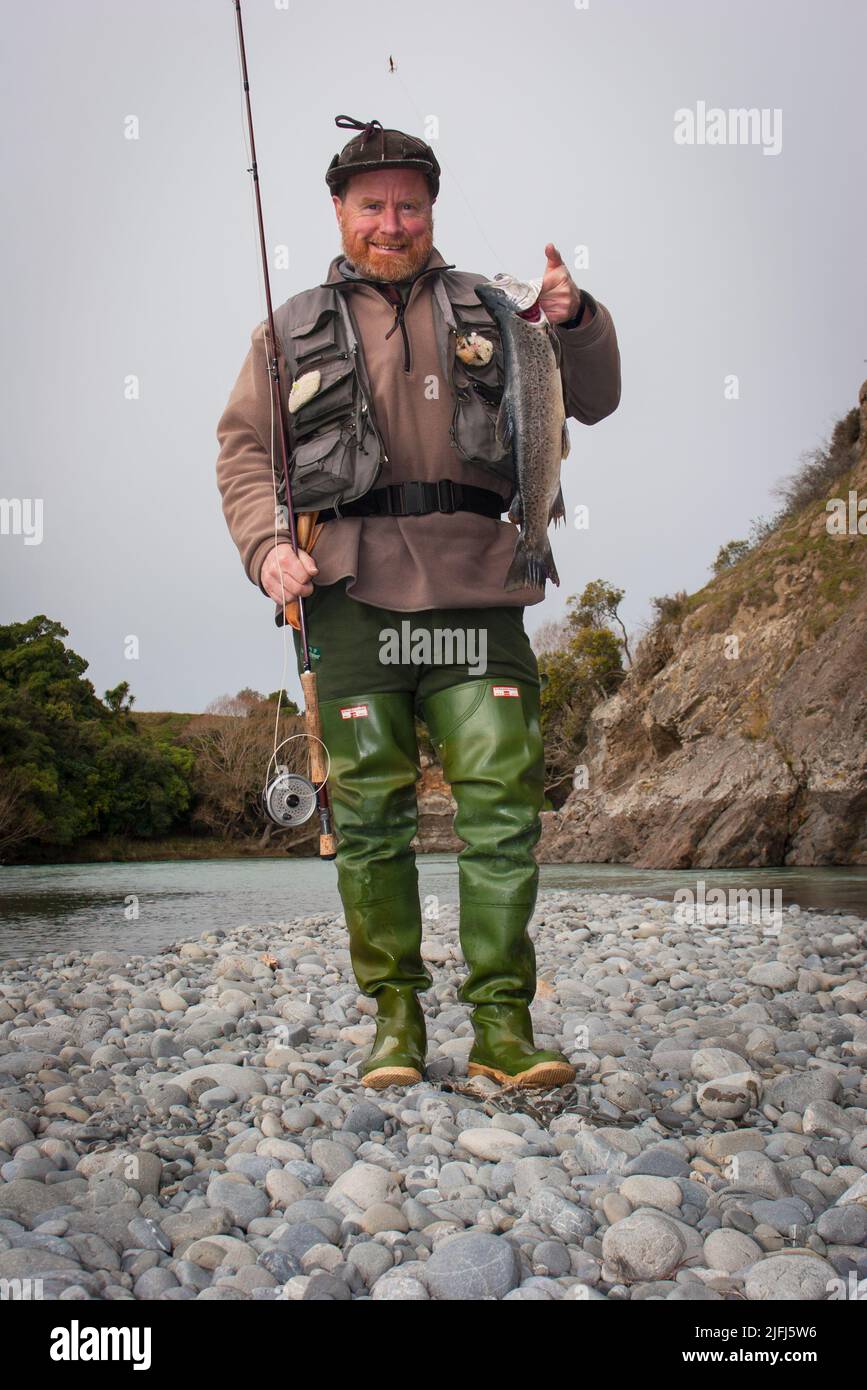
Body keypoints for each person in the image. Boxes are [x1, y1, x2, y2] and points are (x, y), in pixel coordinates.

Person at [216, 115, 621, 1090]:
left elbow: (596, 396)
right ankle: (394, 1019)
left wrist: (578, 318)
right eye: (372, 205)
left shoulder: (500, 309)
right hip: (349, 597)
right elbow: (242, 455)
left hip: (482, 589)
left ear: (430, 209)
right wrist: (268, 545)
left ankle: (501, 1025)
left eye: (409, 204)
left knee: (499, 808)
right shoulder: (288, 329)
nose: (391, 222)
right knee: (369, 821)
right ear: (340, 212)